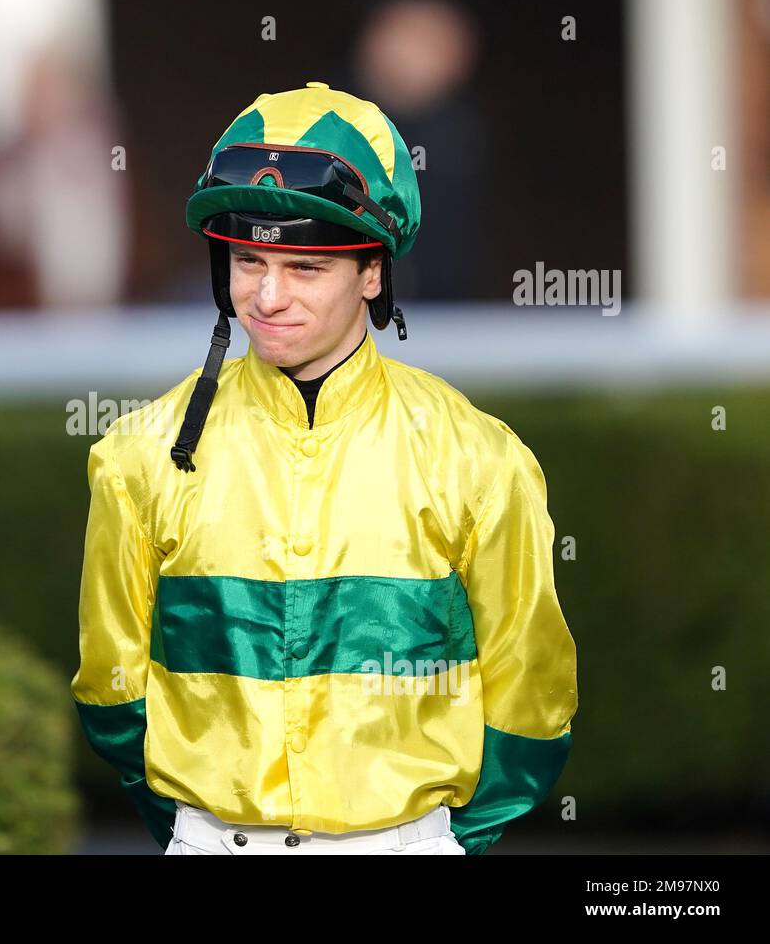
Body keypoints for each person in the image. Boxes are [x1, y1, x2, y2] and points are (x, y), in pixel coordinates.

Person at [70, 82, 577, 855]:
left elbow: (531, 694)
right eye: (247, 261)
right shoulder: (137, 454)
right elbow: (111, 691)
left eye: (305, 267)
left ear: (372, 274)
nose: (268, 297)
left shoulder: (479, 456)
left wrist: (442, 843)